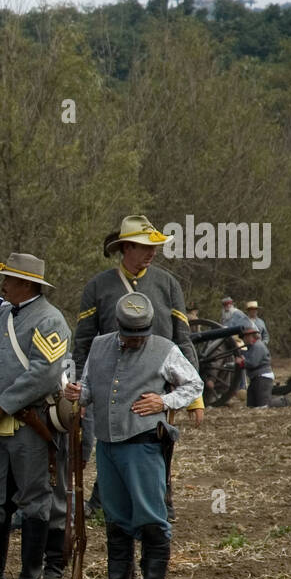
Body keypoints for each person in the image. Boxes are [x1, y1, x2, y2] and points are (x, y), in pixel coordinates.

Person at [65, 293, 203, 579]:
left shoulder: (165, 349)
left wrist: (164, 401)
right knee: (116, 521)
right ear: (119, 327)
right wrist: (78, 393)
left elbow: (194, 384)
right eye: (130, 335)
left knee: (152, 519)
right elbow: (89, 389)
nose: (136, 341)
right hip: (108, 446)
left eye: (141, 335)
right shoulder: (99, 346)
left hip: (143, 445)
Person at [76, 215, 203, 520]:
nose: (153, 253)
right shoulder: (99, 286)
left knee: (159, 443)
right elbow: (82, 342)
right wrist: (79, 392)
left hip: (157, 382)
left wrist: (194, 396)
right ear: (127, 247)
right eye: (146, 246)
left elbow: (182, 337)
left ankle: (163, 498)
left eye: (155, 246)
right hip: (110, 382)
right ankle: (102, 497)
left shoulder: (167, 283)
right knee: (110, 443)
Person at [0, 253, 72, 579]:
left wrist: (3, 405)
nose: (3, 284)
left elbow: (44, 374)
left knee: (35, 503)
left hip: (29, 425)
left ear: (25, 284)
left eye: (8, 279)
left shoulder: (50, 321)